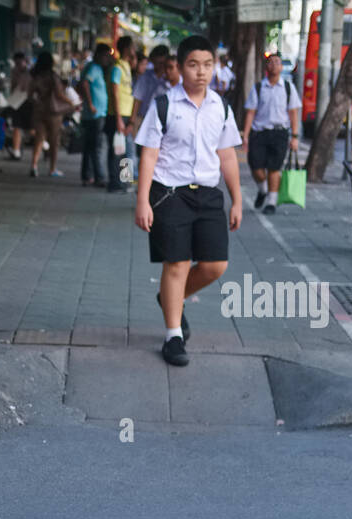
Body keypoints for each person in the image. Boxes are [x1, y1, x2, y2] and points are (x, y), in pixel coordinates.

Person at [134, 35, 243, 368]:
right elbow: (149, 155)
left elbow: (227, 156)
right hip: (170, 193)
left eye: (208, 65)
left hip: (209, 194)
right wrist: (142, 201)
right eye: (193, 65)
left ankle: (170, 299)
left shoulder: (220, 107)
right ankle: (173, 335)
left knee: (215, 265)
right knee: (177, 264)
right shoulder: (164, 105)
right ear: (180, 68)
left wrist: (237, 200)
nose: (201, 72)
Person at [241, 53, 301, 214]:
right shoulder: (259, 88)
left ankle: (271, 202)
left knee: (274, 168)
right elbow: (250, 113)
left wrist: (295, 136)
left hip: (279, 133)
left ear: (281, 67)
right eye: (271, 62)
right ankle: (263, 189)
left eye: (277, 62)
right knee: (256, 168)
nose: (274, 65)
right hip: (259, 133)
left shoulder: (288, 88)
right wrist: (245, 136)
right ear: (266, 67)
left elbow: (293, 113)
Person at [28, 52, 67, 178]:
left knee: (39, 139)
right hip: (53, 112)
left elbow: (29, 95)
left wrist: (37, 102)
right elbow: (59, 94)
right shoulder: (53, 76)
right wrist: (72, 102)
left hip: (39, 110)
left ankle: (34, 165)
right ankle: (52, 168)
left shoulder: (35, 76)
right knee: (54, 140)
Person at [106, 35, 137, 192]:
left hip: (124, 114)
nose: (134, 51)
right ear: (127, 49)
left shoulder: (126, 66)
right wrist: (118, 118)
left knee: (126, 150)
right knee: (119, 151)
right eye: (132, 48)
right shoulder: (117, 68)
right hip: (117, 115)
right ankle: (117, 183)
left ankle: (124, 182)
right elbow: (115, 93)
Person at [79, 43, 111, 187]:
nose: (107, 59)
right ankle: (100, 177)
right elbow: (84, 83)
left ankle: (88, 176)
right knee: (97, 146)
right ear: (98, 54)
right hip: (96, 113)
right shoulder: (93, 68)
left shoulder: (95, 68)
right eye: (105, 56)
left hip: (96, 112)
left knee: (91, 146)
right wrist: (90, 104)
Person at [6, 51, 34, 161]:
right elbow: (13, 86)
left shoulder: (31, 72)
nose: (18, 65)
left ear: (25, 61)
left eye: (20, 63)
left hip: (29, 102)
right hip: (17, 103)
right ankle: (16, 151)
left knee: (31, 128)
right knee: (17, 126)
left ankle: (45, 145)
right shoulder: (14, 72)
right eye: (16, 63)